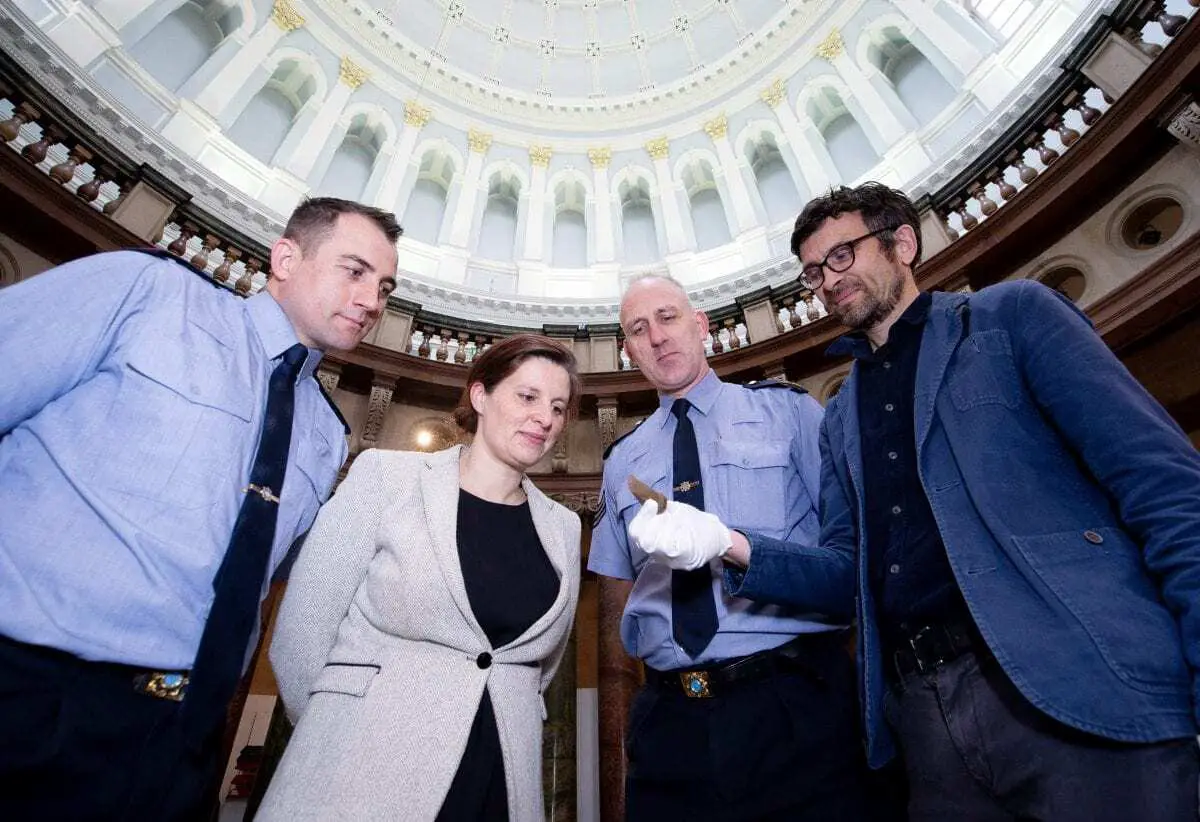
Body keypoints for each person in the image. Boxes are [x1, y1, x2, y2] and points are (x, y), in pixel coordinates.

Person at [649, 182, 1200, 820]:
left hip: (1072, 687)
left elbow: (1161, 487)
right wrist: (726, 542)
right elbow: (842, 569)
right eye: (811, 274)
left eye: (841, 256)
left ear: (902, 243)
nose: (827, 283)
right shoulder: (840, 415)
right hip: (926, 724)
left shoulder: (1009, 318)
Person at [0, 196, 402, 820]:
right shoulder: (148, 296)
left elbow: (270, 583)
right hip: (29, 687)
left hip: (179, 738)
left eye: (384, 286)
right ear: (286, 258)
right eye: (354, 271)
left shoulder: (327, 436)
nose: (372, 300)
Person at [588, 273, 881, 821]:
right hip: (671, 723)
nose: (657, 337)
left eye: (669, 318)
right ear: (629, 351)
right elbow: (616, 590)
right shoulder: (622, 461)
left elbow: (853, 559)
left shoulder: (790, 413)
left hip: (792, 706)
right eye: (638, 329)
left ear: (701, 326)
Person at [257, 333, 583, 821]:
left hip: (500, 778)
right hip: (361, 771)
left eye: (558, 407)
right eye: (528, 396)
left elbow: (541, 666)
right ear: (480, 395)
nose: (545, 418)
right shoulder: (385, 477)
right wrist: (340, 727)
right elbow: (303, 631)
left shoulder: (564, 526)